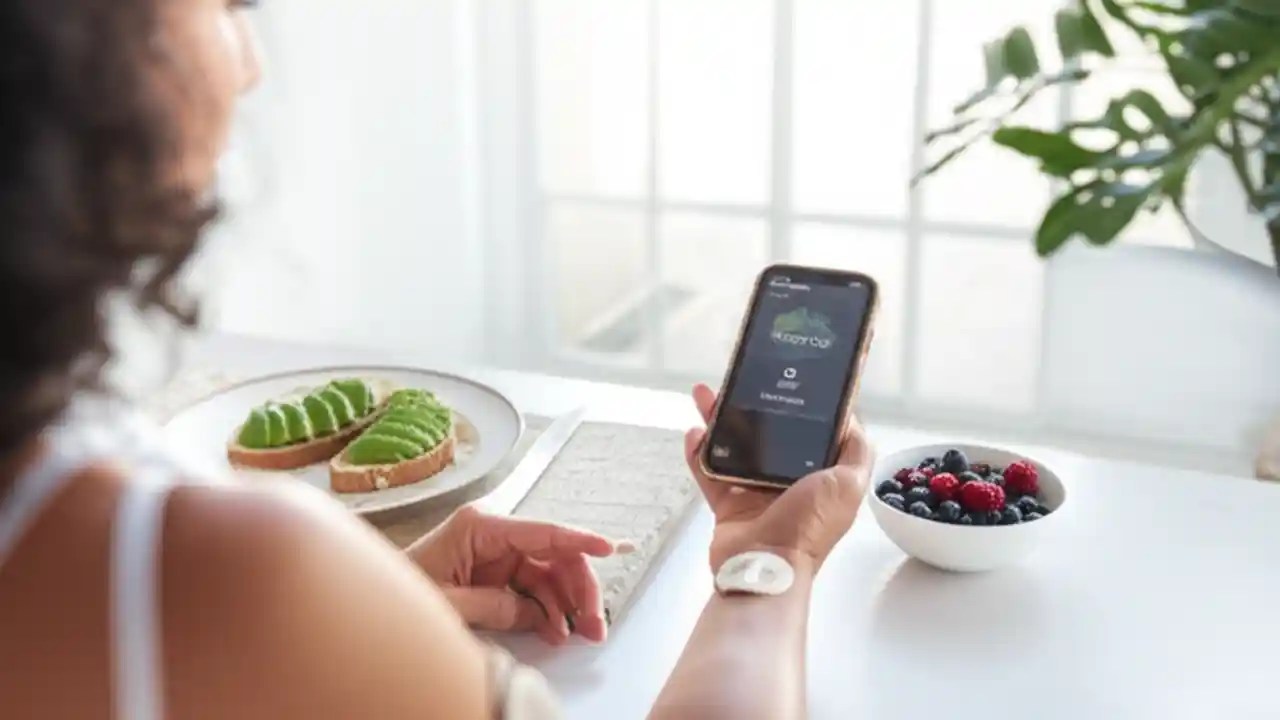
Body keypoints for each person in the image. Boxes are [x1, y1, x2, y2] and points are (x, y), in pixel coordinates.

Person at [0, 1, 875, 718]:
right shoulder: (209, 576)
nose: (250, 61)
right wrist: (768, 560)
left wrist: (372, 608)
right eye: (230, 5)